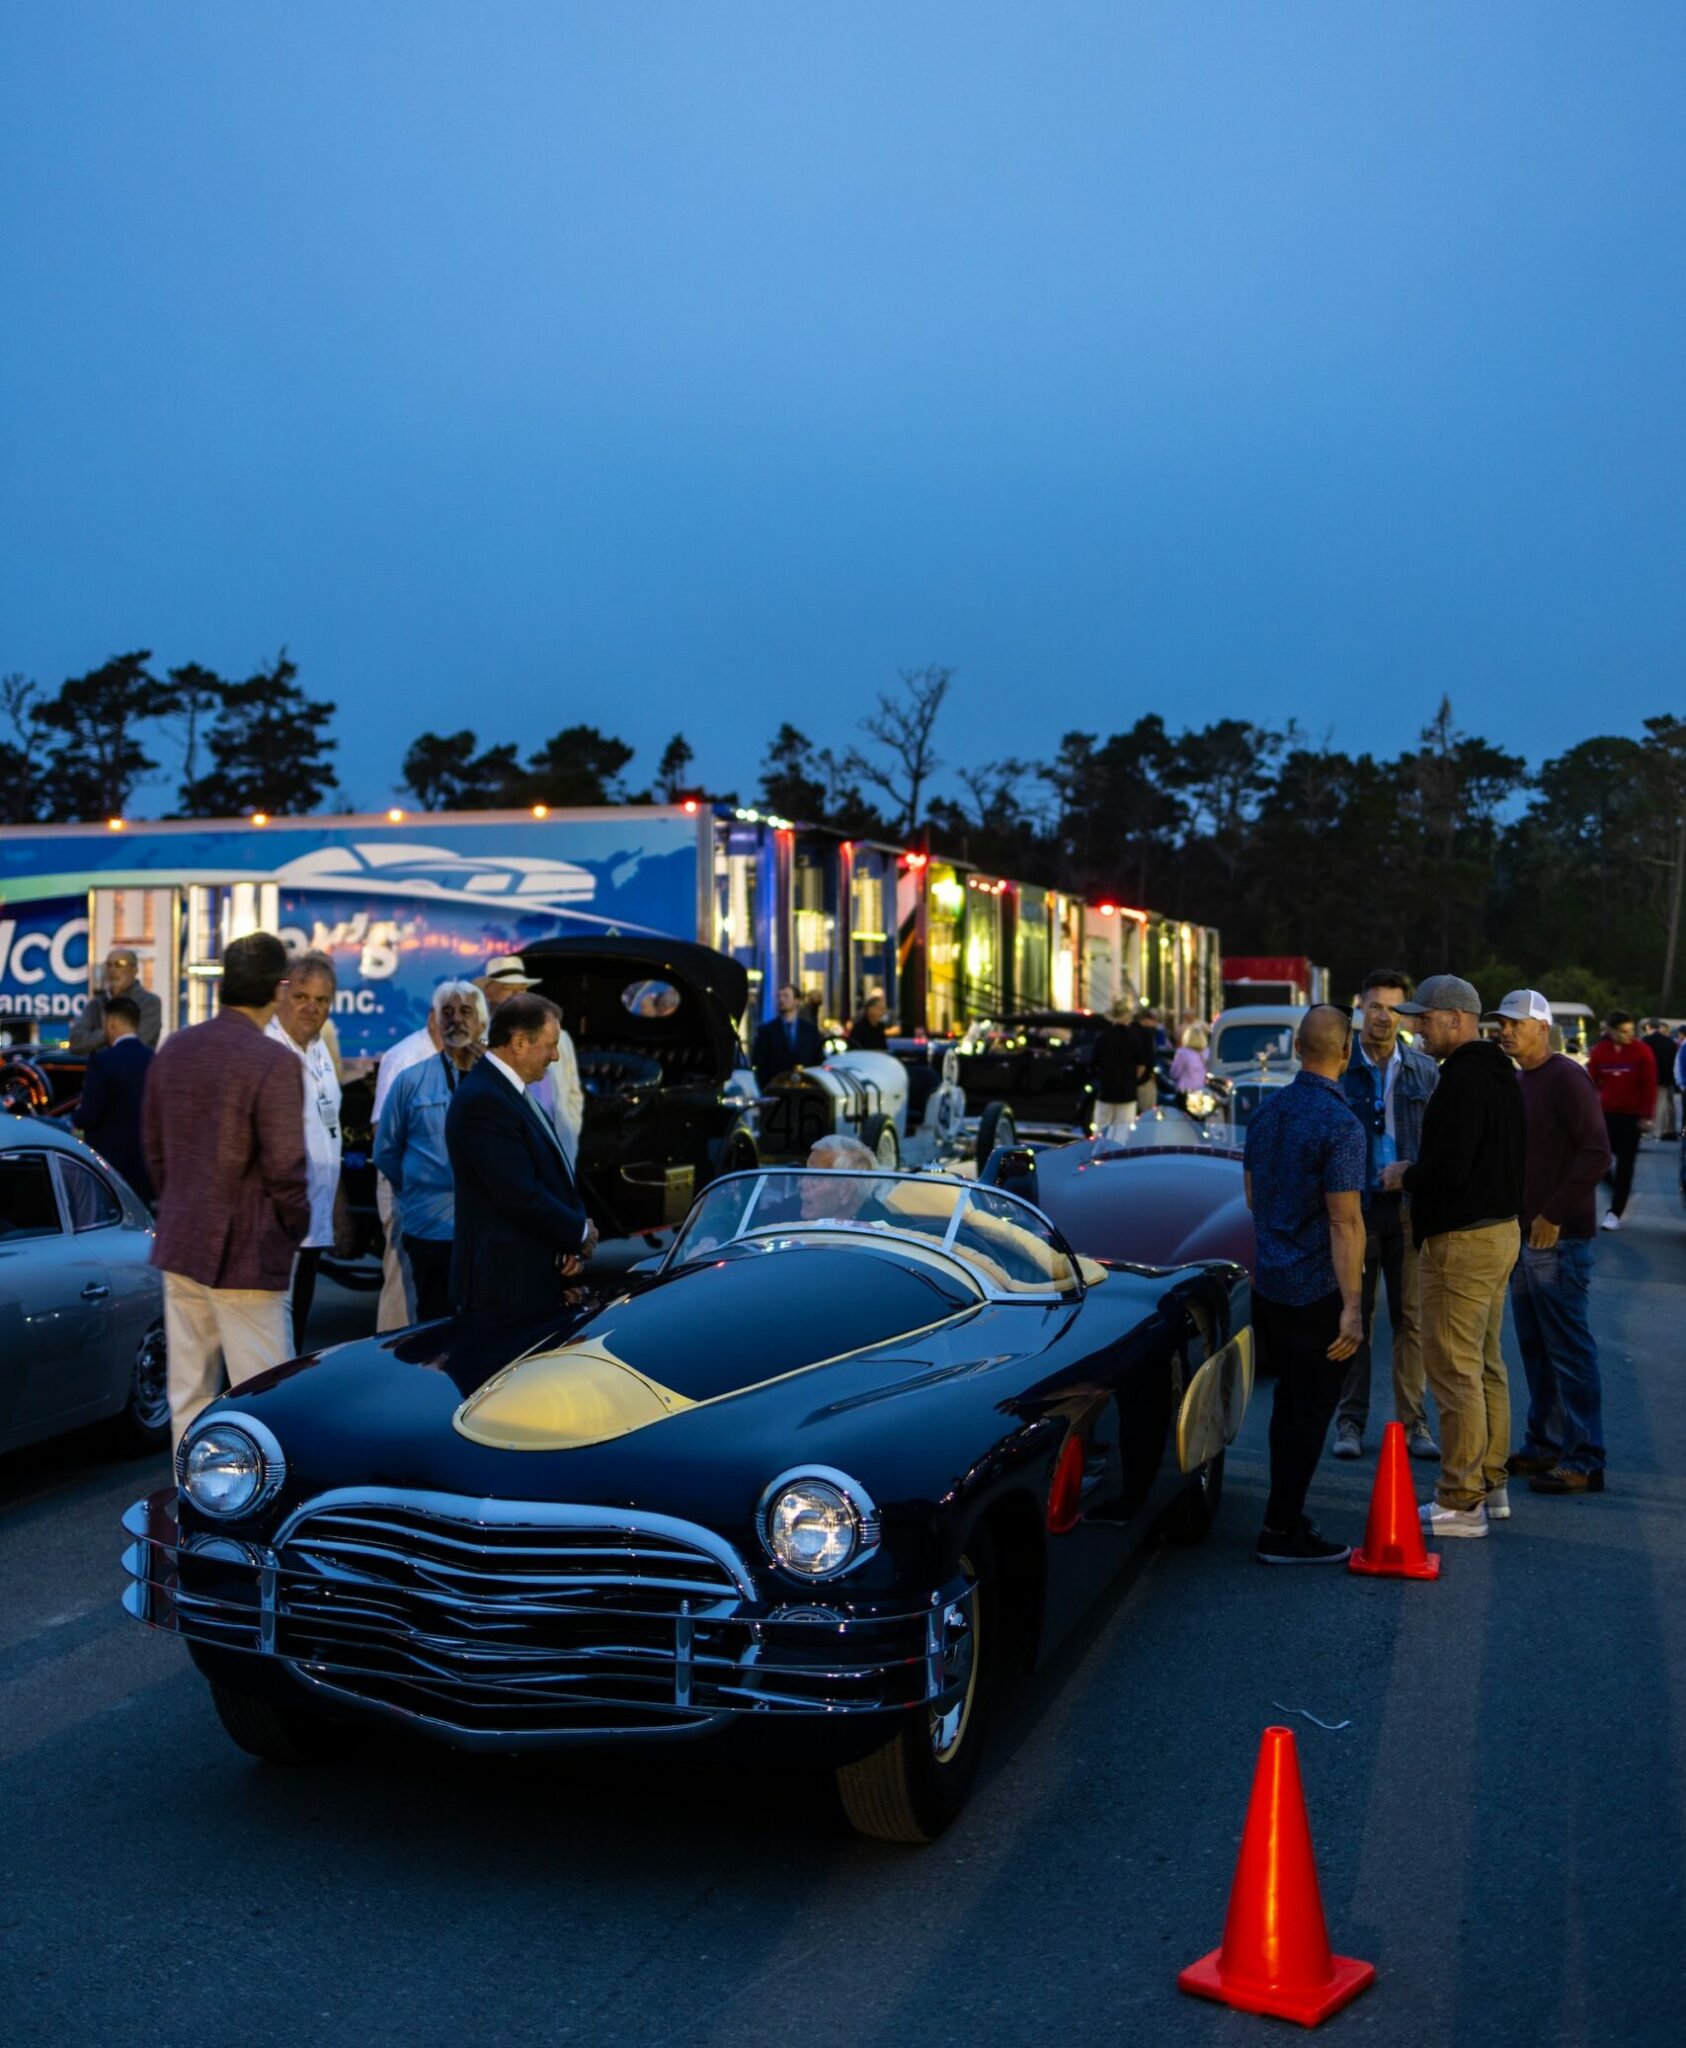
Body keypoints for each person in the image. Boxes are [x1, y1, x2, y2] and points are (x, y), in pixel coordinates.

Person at [141, 932, 309, 1447]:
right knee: (266, 1404)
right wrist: (292, 1228)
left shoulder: (175, 1048)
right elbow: (287, 1169)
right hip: (249, 1254)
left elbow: (154, 1149)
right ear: (278, 989)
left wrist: (181, 1205)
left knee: (188, 1395)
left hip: (182, 1242)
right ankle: (257, 1520)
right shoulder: (273, 1061)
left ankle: (195, 1506)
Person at [1380, 974, 1524, 1538]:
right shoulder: (1497, 1073)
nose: (1414, 1028)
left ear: (1457, 1018)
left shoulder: (1464, 1080)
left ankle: (1462, 1502)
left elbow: (1450, 1167)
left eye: (1423, 1018)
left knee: (1454, 1367)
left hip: (1463, 1240)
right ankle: (1489, 1482)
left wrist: (1403, 1175)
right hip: (1497, 1232)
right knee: (1485, 1364)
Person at [1242, 1004, 1367, 1566]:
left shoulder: (1267, 1112)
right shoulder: (1342, 1125)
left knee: (1286, 1405)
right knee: (1311, 1410)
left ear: (1296, 1048)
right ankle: (1282, 1527)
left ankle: (1282, 1514)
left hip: (1271, 1283)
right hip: (1318, 1288)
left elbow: (1251, 1196)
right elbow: (1344, 1221)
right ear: (1346, 1052)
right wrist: (1354, 1306)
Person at [1489, 990, 1611, 1497]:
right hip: (1523, 1236)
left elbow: (1597, 1152)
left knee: (1568, 1347)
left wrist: (1553, 1214)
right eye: (1502, 1024)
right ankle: (1546, 1442)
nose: (1506, 1031)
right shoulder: (1521, 1080)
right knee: (1536, 1347)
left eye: (1516, 1023)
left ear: (1543, 1026)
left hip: (1558, 1238)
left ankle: (1585, 1457)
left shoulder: (1565, 1076)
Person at [1332, 970, 1439, 1462]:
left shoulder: (1424, 1071)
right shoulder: (1339, 1067)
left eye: (1394, 1008)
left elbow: (1441, 1144)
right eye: (1375, 1006)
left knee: (1411, 1321)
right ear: (1360, 1008)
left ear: (1406, 1013)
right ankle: (1350, 1423)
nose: (1383, 1017)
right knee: (1355, 1317)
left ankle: (1414, 1423)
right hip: (1354, 1210)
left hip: (1409, 1212)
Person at [445, 992, 597, 1317]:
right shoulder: (483, 1101)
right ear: (518, 1042)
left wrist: (569, 1240)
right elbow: (518, 1194)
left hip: (525, 1280)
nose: (556, 1056)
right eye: (550, 1044)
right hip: (503, 1289)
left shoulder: (508, 1092)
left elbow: (552, 1173)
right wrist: (578, 1232)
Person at [373, 981, 486, 1321]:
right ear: (434, 1020)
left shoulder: (497, 1080)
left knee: (483, 1326)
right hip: (430, 1228)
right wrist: (418, 1189)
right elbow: (386, 1150)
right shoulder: (411, 1079)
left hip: (485, 1229)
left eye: (465, 1011)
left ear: (482, 1023)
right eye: (446, 1012)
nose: (455, 1020)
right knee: (434, 1325)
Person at [264, 951, 343, 1350]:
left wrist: (338, 1207)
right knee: (270, 1339)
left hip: (314, 1223)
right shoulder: (266, 1050)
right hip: (279, 1224)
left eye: (322, 1000)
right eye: (301, 997)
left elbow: (329, 1133)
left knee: (296, 1329)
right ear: (282, 993)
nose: (312, 1008)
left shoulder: (319, 1050)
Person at [371, 1007, 444, 1332]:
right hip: (406, 1191)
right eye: (451, 1013)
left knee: (428, 1289)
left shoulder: (460, 1057)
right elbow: (383, 1137)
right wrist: (410, 1189)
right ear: (433, 1017)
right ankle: (391, 1359)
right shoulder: (404, 1057)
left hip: (440, 1202)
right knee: (402, 1284)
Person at [477, 953, 583, 1161]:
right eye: (508, 988)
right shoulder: (476, 1042)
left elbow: (572, 1092)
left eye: (522, 989)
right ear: (489, 993)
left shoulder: (560, 1038)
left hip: (556, 1152)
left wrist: (569, 1131)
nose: (518, 996)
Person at [76, 994, 155, 1204]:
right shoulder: (154, 1060)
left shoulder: (102, 1061)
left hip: (107, 1166)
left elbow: (89, 1115)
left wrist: (71, 1120)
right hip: (145, 1166)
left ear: (111, 1022)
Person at [1586, 1011, 1655, 1231]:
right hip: (1606, 1115)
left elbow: (1649, 1086)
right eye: (1624, 1031)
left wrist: (1646, 1116)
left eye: (1631, 1031)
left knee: (1626, 1167)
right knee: (1599, 1161)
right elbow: (1590, 1082)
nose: (1629, 1035)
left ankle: (1614, 1212)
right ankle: (1619, 1191)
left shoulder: (1642, 1051)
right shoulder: (1600, 1052)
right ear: (1612, 1031)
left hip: (1632, 1118)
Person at [69, 948, 162, 1052]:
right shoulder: (95, 1004)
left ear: (134, 969)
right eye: (108, 965)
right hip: (99, 1067)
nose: (112, 969)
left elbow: (136, 1043)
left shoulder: (150, 1003)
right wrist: (112, 1032)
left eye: (120, 964)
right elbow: (76, 1042)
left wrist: (98, 1037)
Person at [1093, 1001, 1153, 1138]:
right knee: (1122, 1131)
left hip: (1106, 1090)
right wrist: (1132, 1080)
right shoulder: (1134, 1038)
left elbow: (1094, 1064)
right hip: (1127, 1092)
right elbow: (1141, 1065)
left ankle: (1099, 1156)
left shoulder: (1103, 1037)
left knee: (1101, 1129)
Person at [753, 982, 824, 1086]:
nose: (781, 1000)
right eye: (779, 996)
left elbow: (817, 1059)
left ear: (797, 1001)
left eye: (786, 996)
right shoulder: (766, 1030)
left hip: (805, 1088)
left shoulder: (810, 1031)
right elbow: (760, 1062)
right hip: (776, 1088)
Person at [1640, 1018, 1678, 1140]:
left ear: (1648, 1027)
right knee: (1662, 1106)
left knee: (1647, 1104)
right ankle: (1659, 1131)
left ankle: (1645, 1130)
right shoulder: (1669, 1042)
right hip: (1664, 1079)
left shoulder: (1645, 1041)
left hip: (1647, 1078)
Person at [1169, 1023, 1208, 1097]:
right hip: (1204, 1090)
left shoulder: (1182, 1052)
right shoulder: (1208, 1052)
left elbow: (1174, 1073)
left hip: (1186, 1090)